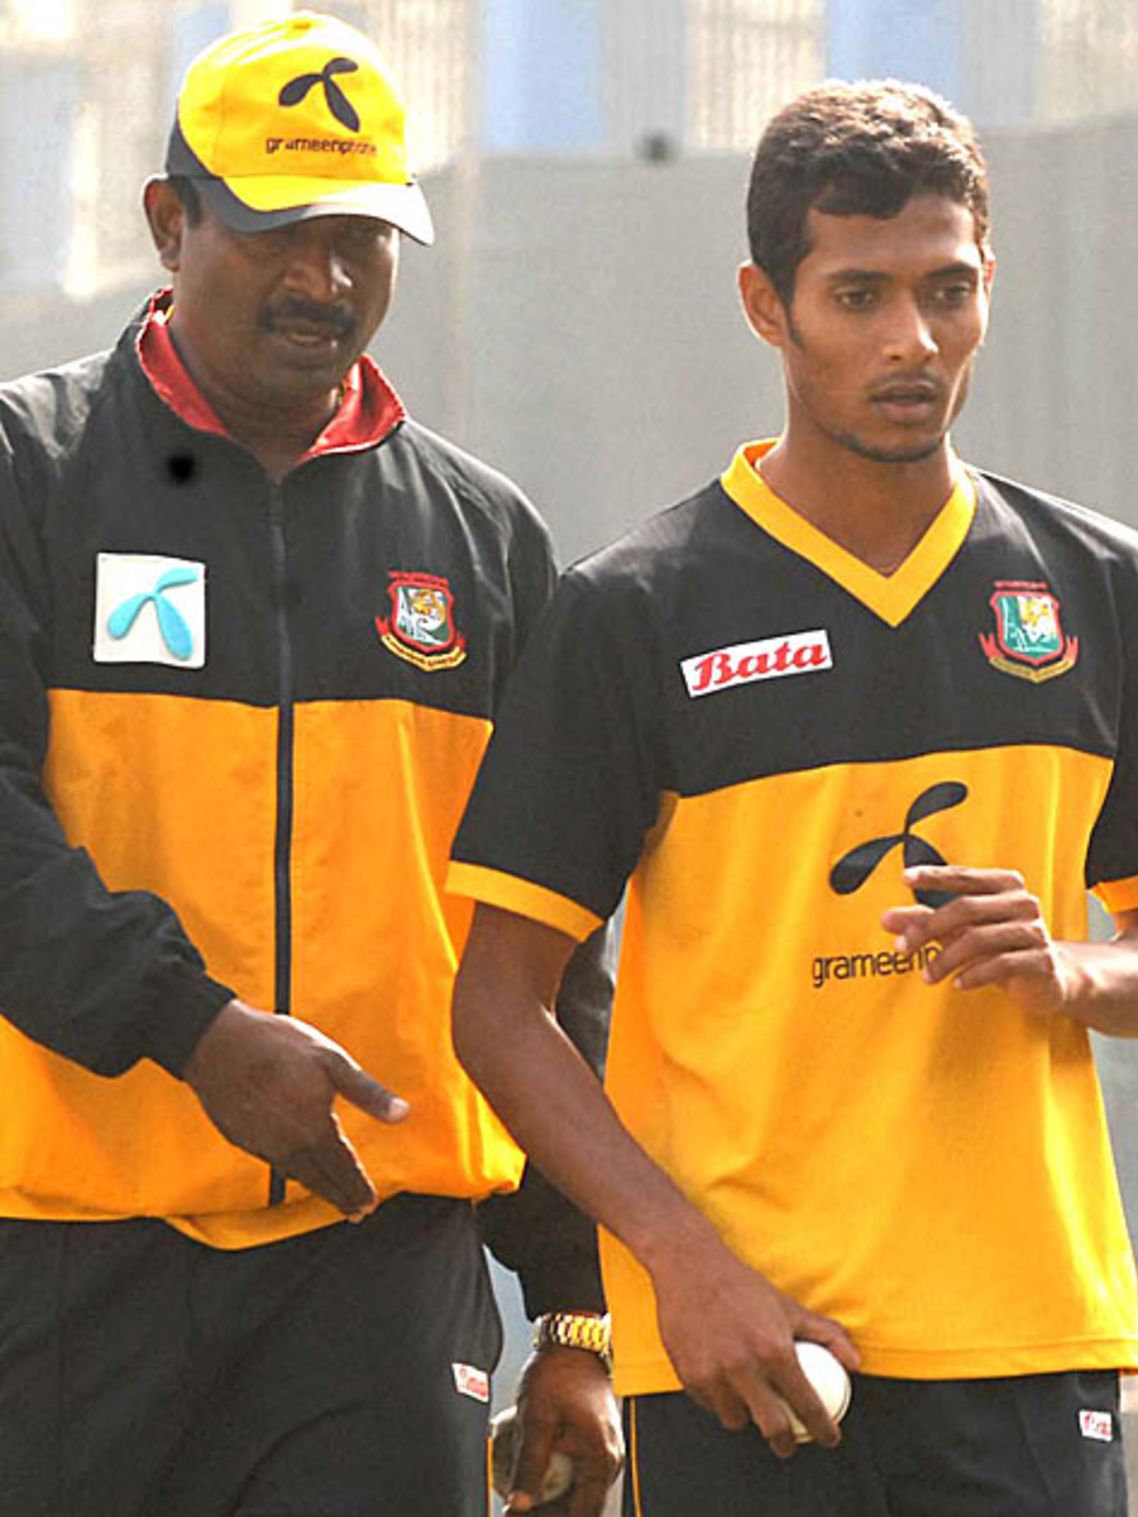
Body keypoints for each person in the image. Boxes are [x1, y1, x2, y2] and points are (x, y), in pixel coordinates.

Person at [448, 79, 1138, 1516]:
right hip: (742, 1352)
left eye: (946, 289)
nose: (911, 340)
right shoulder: (633, 612)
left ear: (990, 282)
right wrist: (682, 1267)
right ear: (764, 303)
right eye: (857, 294)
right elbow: (499, 1004)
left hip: (1029, 1347)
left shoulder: (1102, 585)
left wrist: (1071, 965)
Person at [0, 12, 621, 1517]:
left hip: (382, 1280)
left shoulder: (482, 544)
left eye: (363, 234)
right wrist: (195, 1029)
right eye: (280, 227)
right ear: (169, 221)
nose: (326, 278)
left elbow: (557, 946)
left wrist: (582, 1309)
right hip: (68, 1259)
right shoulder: (31, 471)